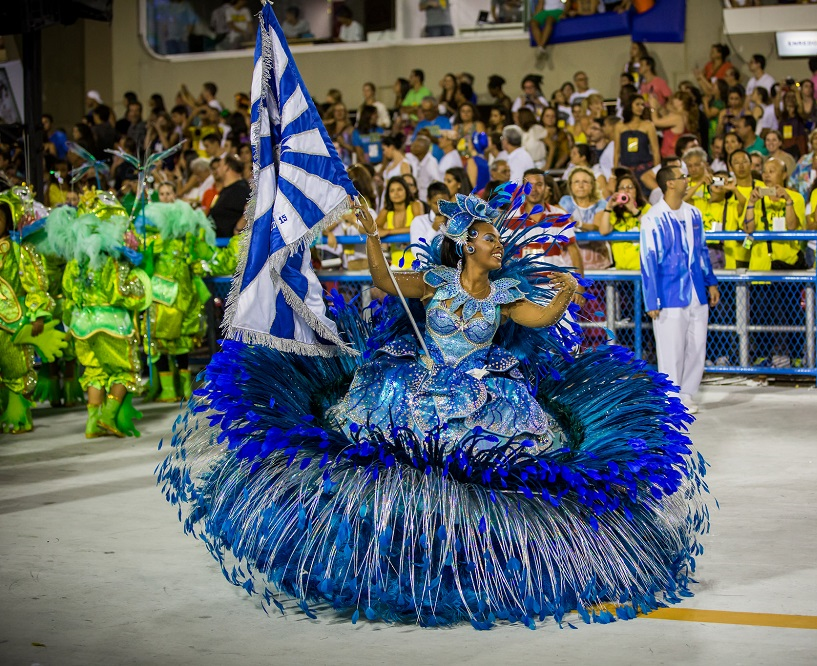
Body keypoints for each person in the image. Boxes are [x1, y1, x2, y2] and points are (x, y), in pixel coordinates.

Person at [161, 182, 709, 628]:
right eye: (490, 240)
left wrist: (564, 293)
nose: (499, 247)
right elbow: (381, 280)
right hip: (421, 383)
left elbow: (537, 320)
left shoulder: (501, 296)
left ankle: (475, 557)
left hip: (484, 393)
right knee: (403, 459)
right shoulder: (434, 282)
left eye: (499, 241)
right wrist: (372, 233)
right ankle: (395, 548)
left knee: (487, 467)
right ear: (468, 244)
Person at [43, 193, 150, 438]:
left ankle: (92, 424)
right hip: (111, 323)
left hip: (82, 324)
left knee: (94, 371)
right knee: (127, 370)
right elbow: (121, 293)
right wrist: (139, 285)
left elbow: (68, 288)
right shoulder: (113, 258)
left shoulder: (76, 259)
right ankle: (108, 416)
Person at [641, 164, 720, 412]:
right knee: (670, 347)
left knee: (697, 346)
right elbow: (648, 259)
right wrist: (651, 299)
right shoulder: (652, 217)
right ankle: (670, 395)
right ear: (670, 183)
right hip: (668, 293)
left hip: (697, 290)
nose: (688, 180)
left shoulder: (694, 214)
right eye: (682, 177)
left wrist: (712, 282)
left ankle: (687, 393)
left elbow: (702, 251)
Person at [135, 200, 215, 403]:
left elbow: (197, 264)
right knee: (172, 345)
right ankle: (177, 391)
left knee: (169, 344)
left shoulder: (174, 240)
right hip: (173, 300)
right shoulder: (175, 240)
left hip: (173, 301)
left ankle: (175, 391)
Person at [0, 195, 61, 434]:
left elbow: (36, 285)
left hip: (15, 323)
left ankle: (18, 417)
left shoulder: (19, 251)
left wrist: (37, 315)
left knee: (18, 370)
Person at [513, 169, 583, 272]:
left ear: (546, 187)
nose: (534, 189)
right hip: (521, 287)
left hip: (553, 286)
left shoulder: (560, 216)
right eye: (529, 185)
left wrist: (580, 286)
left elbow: (574, 252)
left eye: (539, 184)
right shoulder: (510, 218)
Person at [743, 158, 804, 271]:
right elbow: (748, 229)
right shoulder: (754, 197)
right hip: (760, 266)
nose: (767, 175)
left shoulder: (796, 197)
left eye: (772, 171)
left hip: (788, 264)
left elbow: (792, 227)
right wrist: (751, 203)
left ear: (784, 174)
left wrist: (788, 201)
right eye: (764, 172)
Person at [559, 165, 610, 269]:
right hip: (570, 255)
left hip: (595, 255)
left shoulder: (601, 204)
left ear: (592, 185)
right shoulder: (565, 201)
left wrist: (578, 224)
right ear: (571, 185)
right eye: (576, 182)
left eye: (585, 182)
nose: (581, 186)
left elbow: (597, 227)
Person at [597, 171, 649, 270]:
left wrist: (633, 209)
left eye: (630, 187)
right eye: (622, 188)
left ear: (636, 190)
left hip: (643, 269)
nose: (626, 191)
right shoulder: (613, 212)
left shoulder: (646, 208)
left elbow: (650, 226)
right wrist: (608, 207)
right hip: (622, 270)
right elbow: (603, 231)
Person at [375, 175, 425, 268]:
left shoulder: (415, 205)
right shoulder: (386, 210)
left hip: (417, 263)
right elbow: (374, 229)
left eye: (399, 189)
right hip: (396, 264)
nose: (396, 193)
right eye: (392, 190)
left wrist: (389, 232)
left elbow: (419, 227)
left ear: (406, 190)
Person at [613, 95, 658, 188]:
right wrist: (615, 172)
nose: (640, 107)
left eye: (642, 105)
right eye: (637, 104)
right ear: (630, 105)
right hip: (627, 170)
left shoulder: (648, 125)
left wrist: (656, 171)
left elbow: (655, 150)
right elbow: (616, 151)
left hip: (645, 170)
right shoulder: (619, 126)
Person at [208, 155, 249, 239]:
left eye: (219, 166)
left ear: (226, 167)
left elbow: (249, 211)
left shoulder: (241, 190)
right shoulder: (225, 191)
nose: (216, 170)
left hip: (230, 245)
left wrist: (237, 229)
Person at [409, 181, 450, 246]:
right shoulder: (419, 221)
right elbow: (417, 251)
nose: (440, 208)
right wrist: (433, 229)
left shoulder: (456, 221)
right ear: (428, 200)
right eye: (436, 203)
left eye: (444, 203)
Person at [410, 134, 441, 201]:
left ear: (425, 148)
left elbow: (437, 182)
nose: (412, 148)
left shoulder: (431, 162)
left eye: (416, 146)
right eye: (413, 145)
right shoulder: (416, 160)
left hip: (427, 200)